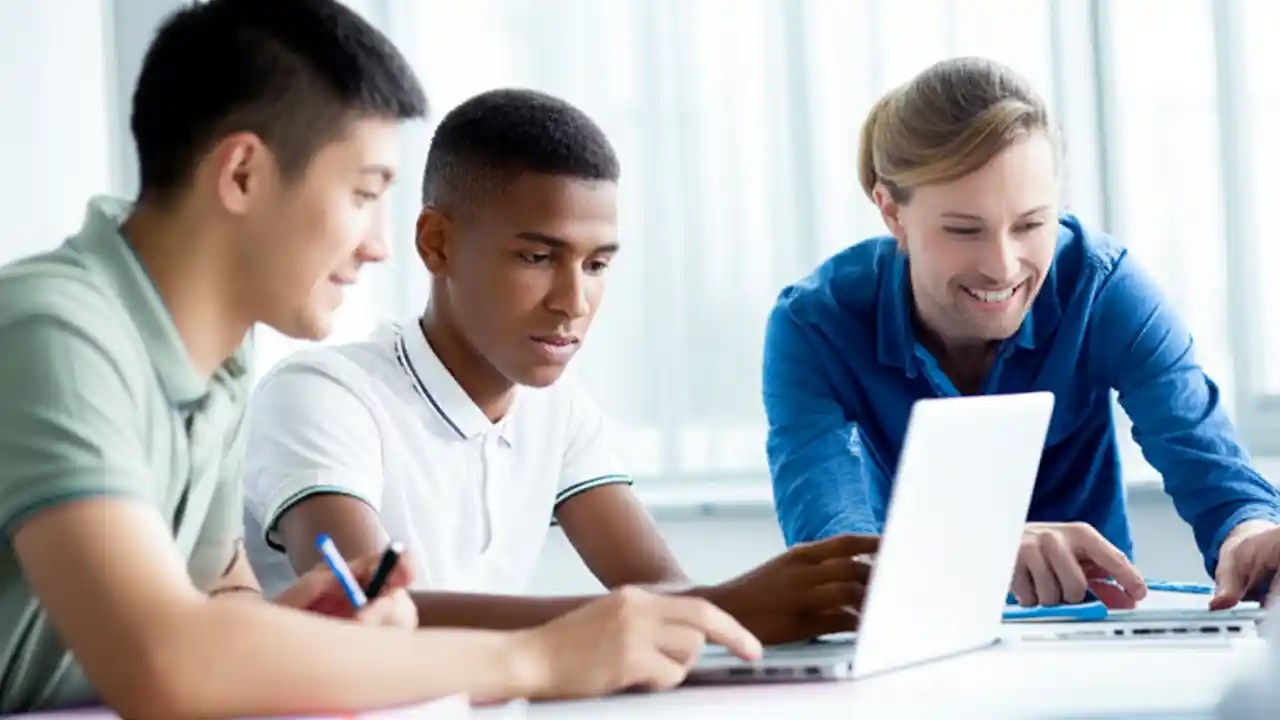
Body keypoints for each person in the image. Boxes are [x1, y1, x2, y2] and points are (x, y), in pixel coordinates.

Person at [0, 1, 761, 715]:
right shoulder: (55, 331)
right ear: (241, 176)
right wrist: (534, 658)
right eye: (364, 194)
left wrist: (306, 628)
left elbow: (217, 605)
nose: (376, 244)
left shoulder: (218, 363)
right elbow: (162, 660)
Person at [242, 88, 877, 646]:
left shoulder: (559, 408)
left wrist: (758, 608)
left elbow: (660, 586)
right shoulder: (321, 396)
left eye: (597, 265)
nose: (573, 302)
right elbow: (370, 613)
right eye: (538, 257)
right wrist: (716, 607)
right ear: (436, 243)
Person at [762, 56, 1280, 611]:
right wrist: (976, 554)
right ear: (892, 213)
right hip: (913, 628)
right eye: (964, 229)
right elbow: (829, 559)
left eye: (1033, 224)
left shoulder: (1102, 288)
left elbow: (1216, 476)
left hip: (1092, 629)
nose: (1003, 266)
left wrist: (1249, 535)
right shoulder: (814, 325)